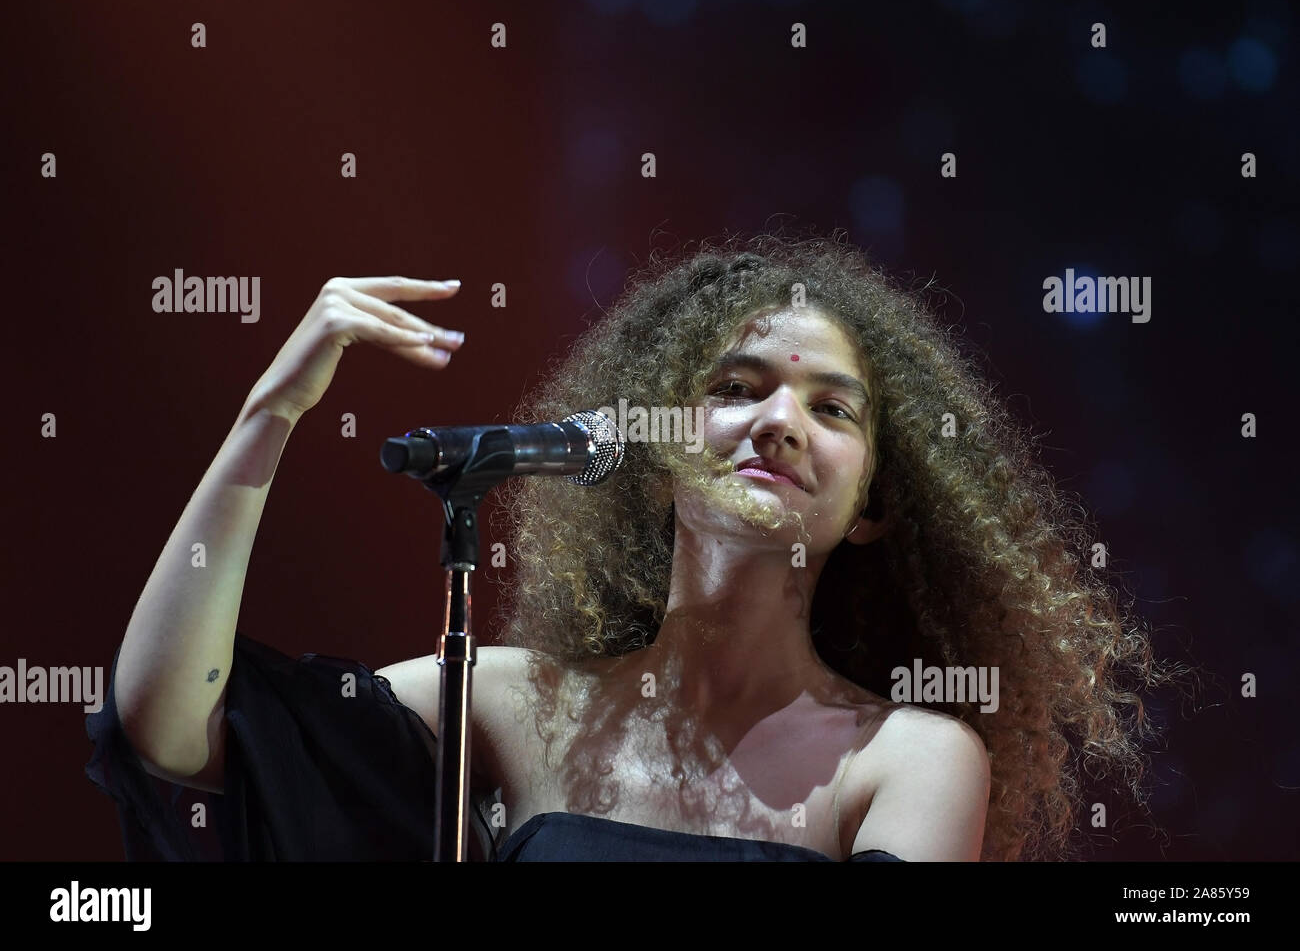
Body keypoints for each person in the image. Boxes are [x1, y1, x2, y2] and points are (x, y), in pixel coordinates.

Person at [86, 231, 1182, 862]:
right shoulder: (513, 703)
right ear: (654, 444)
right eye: (735, 389)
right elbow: (171, 732)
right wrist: (266, 414)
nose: (779, 421)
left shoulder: (906, 756)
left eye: (832, 409)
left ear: (875, 507)